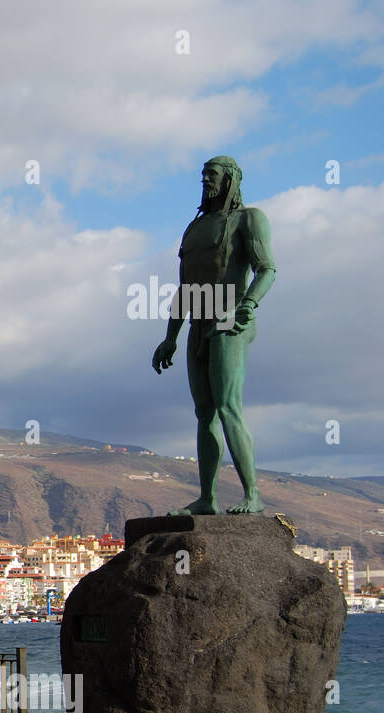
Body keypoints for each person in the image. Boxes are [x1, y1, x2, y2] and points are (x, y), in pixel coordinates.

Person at [152, 155, 276, 515]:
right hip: (199, 323)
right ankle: (208, 498)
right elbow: (185, 290)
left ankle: (253, 495)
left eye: (213, 175)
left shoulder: (248, 219)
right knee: (203, 411)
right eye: (203, 175)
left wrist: (249, 304)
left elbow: (267, 268)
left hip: (230, 319)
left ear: (231, 179)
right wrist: (170, 336)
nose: (205, 180)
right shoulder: (194, 229)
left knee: (226, 406)